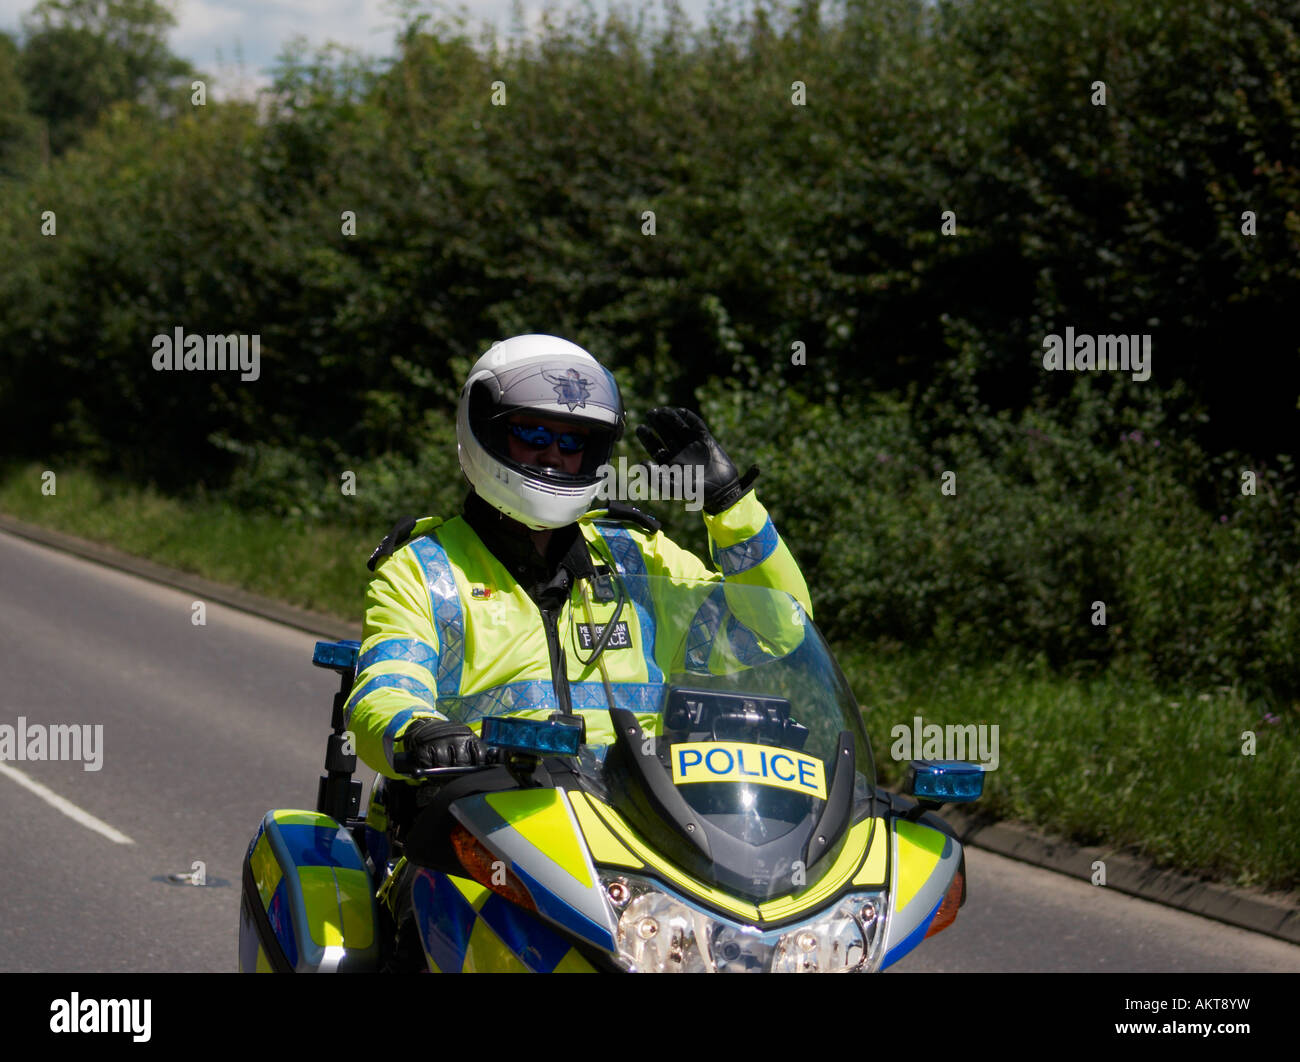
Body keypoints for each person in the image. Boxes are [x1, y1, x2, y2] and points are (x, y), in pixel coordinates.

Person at [343, 332, 811, 968]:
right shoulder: (424, 569)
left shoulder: (635, 558)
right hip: (483, 836)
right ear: (484, 430)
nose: (556, 457)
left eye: (574, 441)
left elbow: (776, 629)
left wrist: (731, 507)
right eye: (534, 436)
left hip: (639, 839)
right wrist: (418, 731)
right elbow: (383, 690)